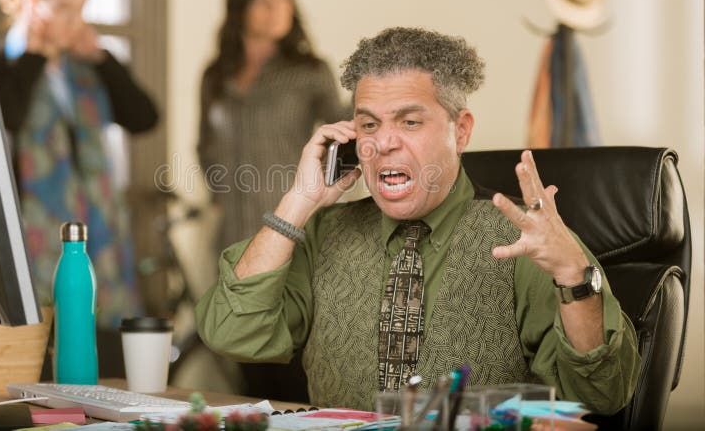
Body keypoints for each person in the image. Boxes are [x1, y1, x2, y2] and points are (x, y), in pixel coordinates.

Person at [196, 27, 640, 414]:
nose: (384, 143)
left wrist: (573, 277)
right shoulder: (323, 232)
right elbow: (233, 332)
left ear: (460, 131)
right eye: (369, 125)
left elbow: (604, 394)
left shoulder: (528, 241)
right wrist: (299, 201)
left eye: (409, 122)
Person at [197, 0, 347, 400]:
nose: (276, 7)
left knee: (290, 362)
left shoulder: (310, 71)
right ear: (240, 7)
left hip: (293, 234)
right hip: (234, 239)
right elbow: (204, 147)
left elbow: (344, 135)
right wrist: (221, 194)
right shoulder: (215, 76)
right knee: (245, 359)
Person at [0, 0, 158, 329]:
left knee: (106, 339)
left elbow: (144, 118)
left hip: (99, 229)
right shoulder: (1, 66)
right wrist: (35, 57)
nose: (74, 21)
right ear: (33, 4)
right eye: (63, 8)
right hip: (34, 236)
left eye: (80, 9)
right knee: (46, 334)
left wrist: (101, 58)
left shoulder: (85, 69)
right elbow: (9, 117)